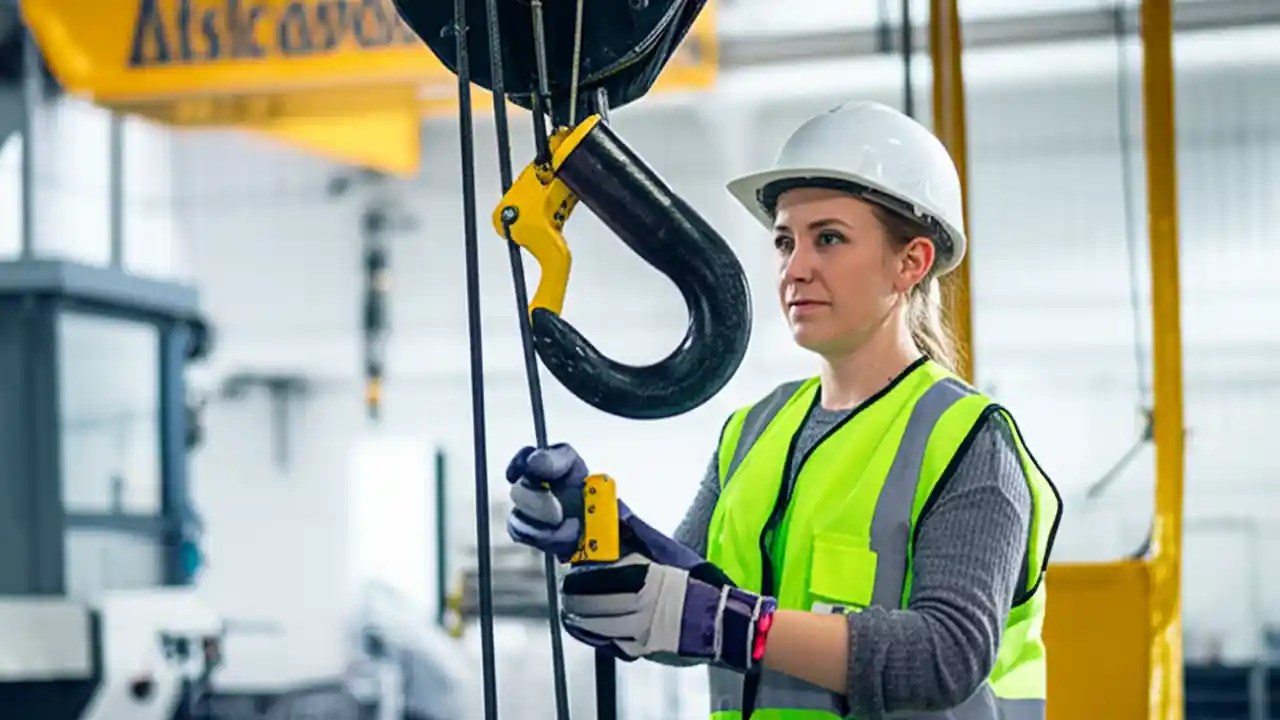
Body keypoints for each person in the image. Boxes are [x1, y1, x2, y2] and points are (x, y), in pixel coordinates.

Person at [503, 100, 1063, 720]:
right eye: (784, 242)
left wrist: (738, 626)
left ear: (912, 262)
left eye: (829, 239)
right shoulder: (752, 432)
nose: (796, 268)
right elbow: (691, 618)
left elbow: (945, 656)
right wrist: (604, 535)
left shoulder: (967, 442)